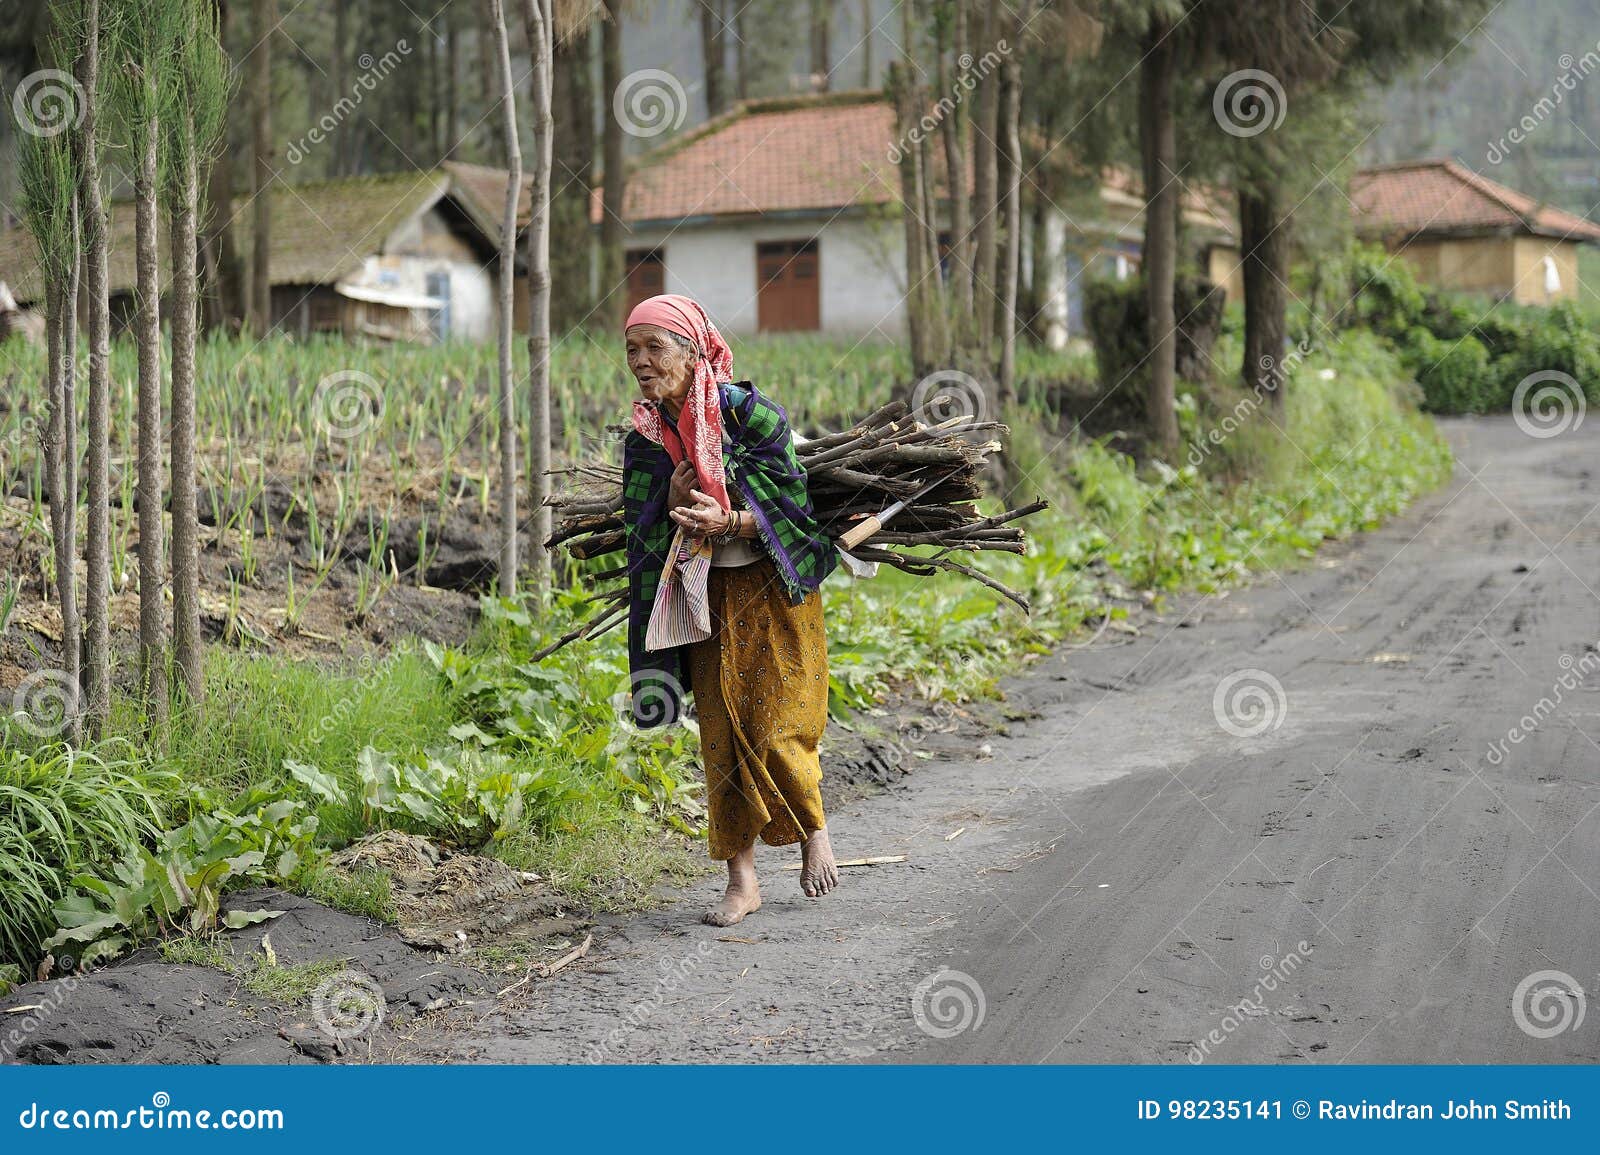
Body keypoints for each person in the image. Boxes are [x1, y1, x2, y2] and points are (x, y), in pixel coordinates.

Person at [620, 293, 840, 927]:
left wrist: (734, 519)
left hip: (773, 591)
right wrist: (668, 499)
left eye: (653, 347)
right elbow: (638, 528)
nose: (640, 361)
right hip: (702, 598)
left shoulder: (750, 416)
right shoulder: (646, 439)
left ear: (692, 351)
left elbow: (795, 509)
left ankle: (812, 827)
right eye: (631, 350)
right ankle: (741, 879)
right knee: (721, 734)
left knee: (778, 722)